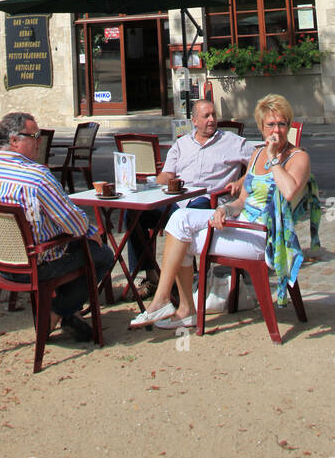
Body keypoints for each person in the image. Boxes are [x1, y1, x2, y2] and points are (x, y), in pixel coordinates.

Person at [130, 94, 319, 330]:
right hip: (240, 224)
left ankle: (174, 305)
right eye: (270, 124)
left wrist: (273, 159)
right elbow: (241, 201)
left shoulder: (298, 157)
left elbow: (290, 191)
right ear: (261, 127)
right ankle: (169, 301)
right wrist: (225, 208)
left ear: (288, 126)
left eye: (281, 124)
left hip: (265, 236)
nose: (276, 130)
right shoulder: (257, 155)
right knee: (178, 221)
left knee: (180, 237)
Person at [0, 111, 114, 342]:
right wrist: (91, 231)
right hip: (38, 262)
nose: (39, 141)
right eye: (34, 136)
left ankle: (70, 313)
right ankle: (56, 313)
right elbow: (73, 223)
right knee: (101, 254)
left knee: (81, 247)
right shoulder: (36, 177)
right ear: (14, 141)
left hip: (1, 262)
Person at [128, 97, 254, 288]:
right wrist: (148, 185)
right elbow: (167, 174)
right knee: (135, 214)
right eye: (206, 116)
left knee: (189, 211)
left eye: (213, 115)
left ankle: (177, 284)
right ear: (194, 121)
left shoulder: (232, 142)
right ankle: (148, 274)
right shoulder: (181, 144)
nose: (211, 119)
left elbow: (258, 161)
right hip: (178, 203)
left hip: (209, 203)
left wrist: (241, 181)